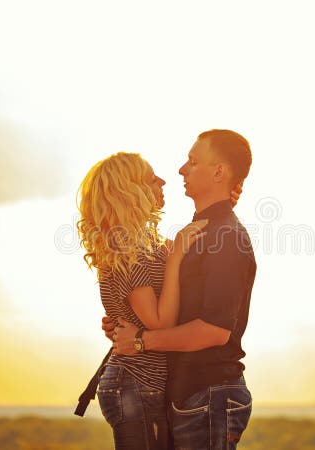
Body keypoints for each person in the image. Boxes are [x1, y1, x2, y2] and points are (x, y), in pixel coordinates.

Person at [109, 130, 256, 450]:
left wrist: (140, 341)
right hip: (191, 394)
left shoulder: (227, 237)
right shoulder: (197, 234)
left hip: (210, 393)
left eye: (192, 162)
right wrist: (125, 319)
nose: (180, 170)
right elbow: (178, 310)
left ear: (219, 172)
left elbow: (214, 331)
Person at [76, 152, 209, 450]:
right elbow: (160, 323)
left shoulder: (139, 243)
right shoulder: (131, 248)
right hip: (135, 384)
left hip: (138, 384)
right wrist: (175, 260)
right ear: (130, 192)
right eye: (151, 179)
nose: (162, 181)